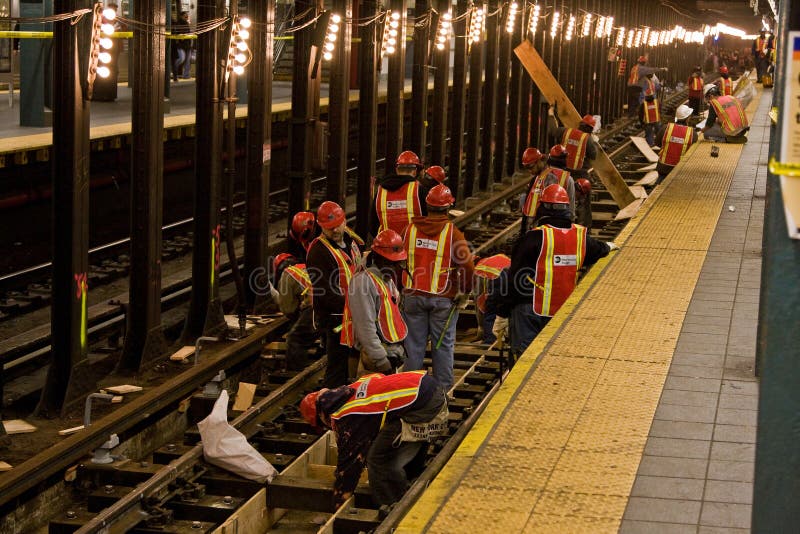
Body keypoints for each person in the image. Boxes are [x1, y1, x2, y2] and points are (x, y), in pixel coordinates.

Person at [495, 185, 615, 356]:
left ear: (542, 208)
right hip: (561, 312)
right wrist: (609, 247)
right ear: (567, 208)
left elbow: (515, 279)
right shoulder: (580, 237)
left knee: (525, 358)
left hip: (530, 310)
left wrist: (502, 312)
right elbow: (599, 249)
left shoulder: (533, 238)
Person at [299, 371, 447, 508]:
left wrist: (339, 500)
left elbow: (350, 464)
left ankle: (391, 505)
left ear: (321, 416)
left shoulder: (347, 416)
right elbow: (378, 377)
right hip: (427, 389)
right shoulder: (350, 390)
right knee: (387, 441)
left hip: (423, 406)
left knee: (378, 460)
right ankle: (411, 475)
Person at [402, 185, 474, 392]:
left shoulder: (409, 230)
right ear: (448, 207)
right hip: (443, 299)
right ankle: (442, 395)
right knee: (442, 346)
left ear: (427, 205)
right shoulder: (454, 234)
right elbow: (468, 266)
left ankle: (409, 392)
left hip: (412, 296)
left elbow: (398, 260)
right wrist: (464, 291)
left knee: (413, 347)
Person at [306, 201, 364, 387]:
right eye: (329, 228)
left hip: (353, 314)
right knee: (338, 364)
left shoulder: (351, 240)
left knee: (352, 360)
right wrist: (354, 307)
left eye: (338, 225)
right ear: (321, 227)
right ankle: (330, 401)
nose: (335, 230)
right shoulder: (318, 252)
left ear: (344, 221)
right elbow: (325, 293)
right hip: (336, 319)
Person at [341, 229, 408, 374]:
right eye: (392, 263)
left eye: (398, 263)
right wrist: (381, 360)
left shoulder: (385, 278)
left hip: (390, 353)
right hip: (376, 359)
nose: (396, 268)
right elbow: (365, 327)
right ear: (378, 258)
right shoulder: (363, 282)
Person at [274, 253, 320, 371]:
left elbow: (288, 309)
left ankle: (294, 374)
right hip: (333, 307)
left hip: (315, 308)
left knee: (295, 340)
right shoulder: (307, 267)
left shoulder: (287, 273)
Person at [521, 145, 576, 232]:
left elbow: (531, 208)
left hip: (541, 226)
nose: (530, 171)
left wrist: (526, 230)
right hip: (561, 226)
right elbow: (571, 211)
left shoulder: (540, 178)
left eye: (531, 167)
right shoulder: (569, 179)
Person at [372, 151, 424, 237]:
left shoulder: (380, 191)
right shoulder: (419, 190)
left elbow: (373, 224)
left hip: (387, 247)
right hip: (412, 246)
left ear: (397, 170)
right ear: (415, 172)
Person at [548, 108, 598, 180]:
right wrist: (595, 142)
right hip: (579, 173)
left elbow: (553, 131)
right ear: (591, 129)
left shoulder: (566, 132)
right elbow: (593, 155)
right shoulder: (588, 139)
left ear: (581, 124)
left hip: (564, 169)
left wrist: (551, 115)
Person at [655, 104, 698, 185]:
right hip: (680, 168)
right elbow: (693, 153)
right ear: (688, 118)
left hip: (663, 167)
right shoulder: (693, 134)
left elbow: (657, 143)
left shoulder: (665, 128)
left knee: (660, 184)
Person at [473, 254, 510, 344]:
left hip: (497, 289)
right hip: (509, 288)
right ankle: (505, 338)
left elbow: (478, 294)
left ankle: (490, 341)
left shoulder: (481, 266)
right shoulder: (504, 259)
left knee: (490, 314)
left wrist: (481, 326)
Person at [171, 12, 192, 82]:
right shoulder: (178, 24)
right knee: (181, 58)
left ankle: (186, 75)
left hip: (187, 45)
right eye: (185, 16)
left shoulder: (186, 24)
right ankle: (174, 70)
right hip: (181, 45)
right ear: (181, 16)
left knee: (187, 61)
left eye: (187, 16)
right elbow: (177, 33)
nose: (187, 17)